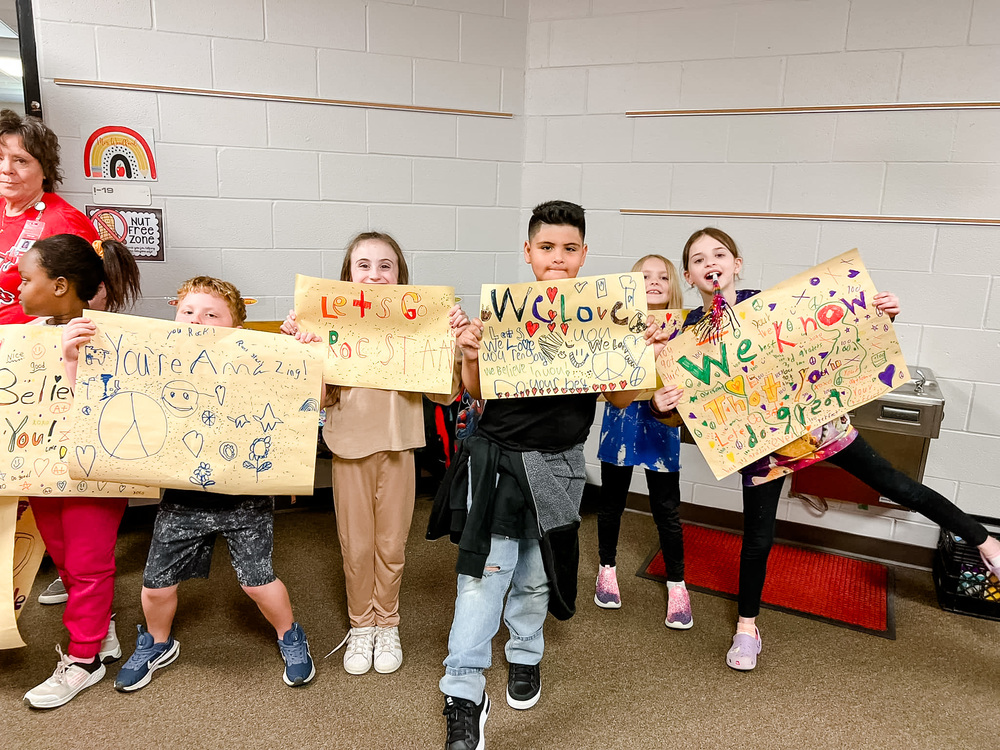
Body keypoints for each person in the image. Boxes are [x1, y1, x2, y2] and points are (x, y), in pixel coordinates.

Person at [651, 227, 1000, 671]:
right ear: (689, 275)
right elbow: (680, 409)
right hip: (761, 447)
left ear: (736, 264)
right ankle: (746, 628)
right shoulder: (685, 336)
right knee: (757, 540)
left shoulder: (776, 305)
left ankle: (985, 543)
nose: (710, 263)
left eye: (719, 254)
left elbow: (837, 337)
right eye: (699, 260)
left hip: (818, 427)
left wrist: (882, 317)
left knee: (899, 485)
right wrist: (663, 408)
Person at [428, 201, 643, 750]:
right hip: (497, 459)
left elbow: (617, 395)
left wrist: (637, 355)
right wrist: (471, 354)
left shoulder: (604, 316)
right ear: (528, 253)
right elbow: (476, 393)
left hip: (563, 463)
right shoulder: (505, 312)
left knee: (536, 572)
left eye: (569, 248)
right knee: (483, 576)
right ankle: (464, 690)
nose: (558, 258)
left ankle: (525, 654)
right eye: (546, 247)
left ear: (584, 255)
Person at [63, 276, 316, 693]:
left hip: (245, 499)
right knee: (155, 585)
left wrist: (307, 362)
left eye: (212, 314)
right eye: (188, 312)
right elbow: (100, 412)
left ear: (235, 326)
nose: (197, 320)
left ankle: (290, 634)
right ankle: (158, 643)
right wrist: (74, 361)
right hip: (182, 500)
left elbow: (304, 409)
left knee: (258, 580)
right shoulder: (157, 366)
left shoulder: (256, 364)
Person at [281, 232, 465, 676]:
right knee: (356, 545)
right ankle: (361, 625)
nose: (375, 274)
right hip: (348, 447)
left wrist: (455, 342)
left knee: (391, 544)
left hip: (400, 447)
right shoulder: (328, 325)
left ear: (400, 276)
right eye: (363, 265)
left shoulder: (419, 325)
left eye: (386, 266)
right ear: (348, 275)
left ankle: (389, 622)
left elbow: (447, 395)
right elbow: (315, 398)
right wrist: (297, 350)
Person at [18, 234, 140, 709]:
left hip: (94, 471)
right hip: (45, 466)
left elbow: (112, 410)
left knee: (89, 564)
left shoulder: (105, 334)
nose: (19, 287)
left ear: (61, 285)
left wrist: (71, 361)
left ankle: (84, 659)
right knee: (65, 558)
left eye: (29, 280)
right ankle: (101, 632)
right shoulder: (32, 334)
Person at [594, 254, 692, 629]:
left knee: (667, 508)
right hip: (621, 419)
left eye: (662, 277)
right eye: (644, 276)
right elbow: (603, 384)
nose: (654, 282)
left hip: (662, 422)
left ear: (673, 286)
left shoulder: (685, 330)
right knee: (612, 502)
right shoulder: (614, 328)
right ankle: (607, 568)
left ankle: (678, 584)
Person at [0, 109, 99, 324]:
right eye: (0, 158)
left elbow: (96, 299)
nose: (6, 169)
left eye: (21, 161)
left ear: (45, 169)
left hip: (29, 349)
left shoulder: (65, 222)